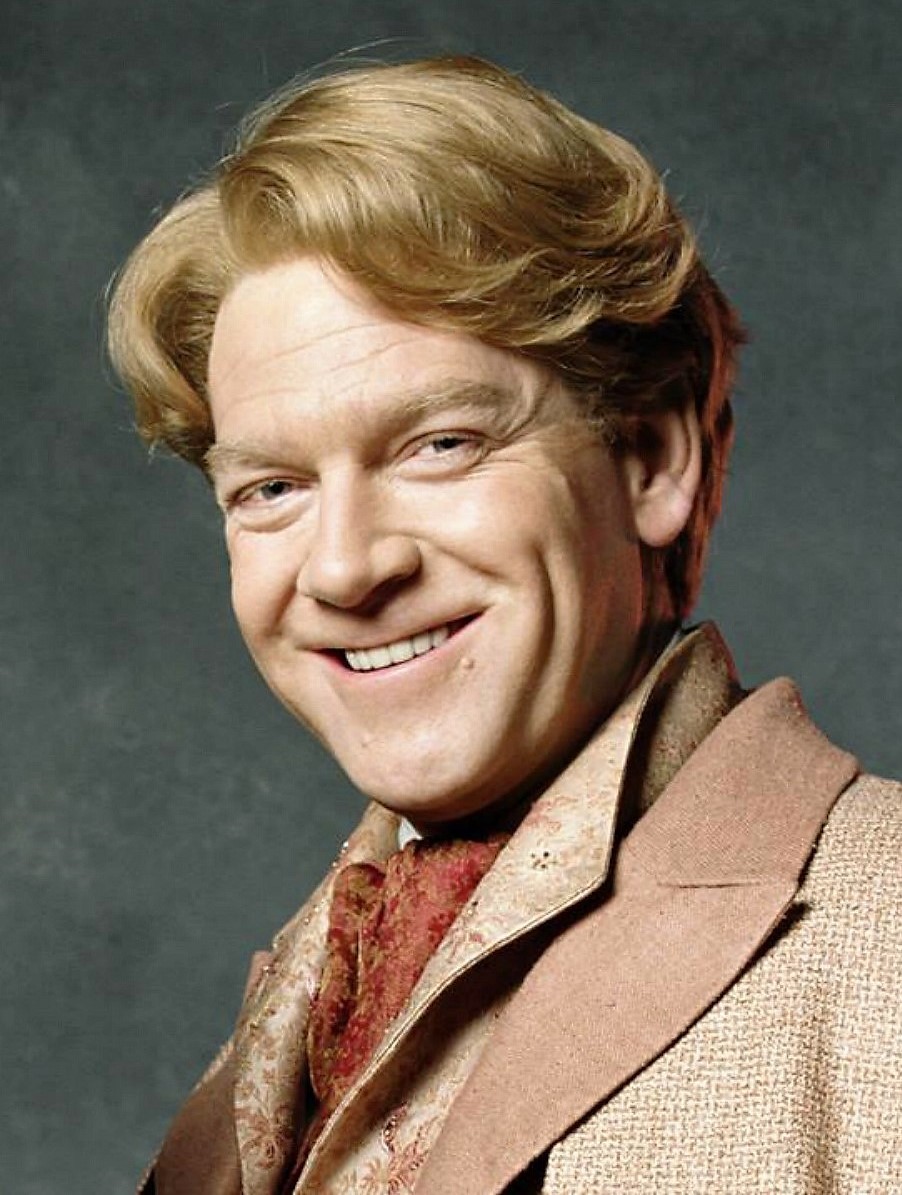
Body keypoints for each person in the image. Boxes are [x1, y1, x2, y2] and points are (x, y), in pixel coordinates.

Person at [108, 56, 900, 1195]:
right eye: (272, 487)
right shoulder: (289, 1031)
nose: (344, 566)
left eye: (440, 444)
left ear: (651, 458)